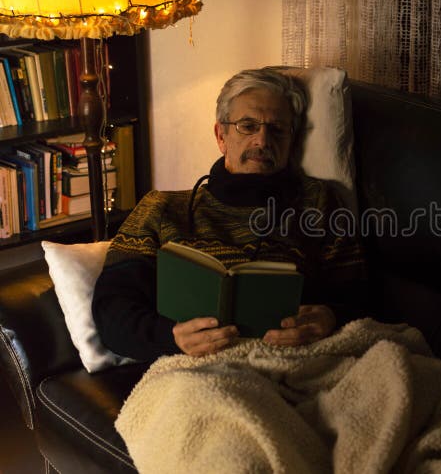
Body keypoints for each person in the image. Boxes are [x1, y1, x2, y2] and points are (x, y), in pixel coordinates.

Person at [92, 67, 366, 361]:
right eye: (248, 126)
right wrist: (171, 337)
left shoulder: (319, 202)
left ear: (292, 139)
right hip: (197, 365)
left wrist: (330, 317)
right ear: (220, 135)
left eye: (277, 129)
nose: (262, 141)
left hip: (298, 360)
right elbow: (111, 310)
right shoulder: (161, 208)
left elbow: (364, 297)